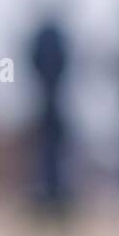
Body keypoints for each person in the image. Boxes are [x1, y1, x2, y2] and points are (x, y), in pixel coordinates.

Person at [27, 15, 73, 216]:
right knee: (53, 156)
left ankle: (51, 197)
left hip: (47, 108)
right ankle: (53, 198)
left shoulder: (43, 45)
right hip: (53, 108)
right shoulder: (59, 45)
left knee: (47, 156)